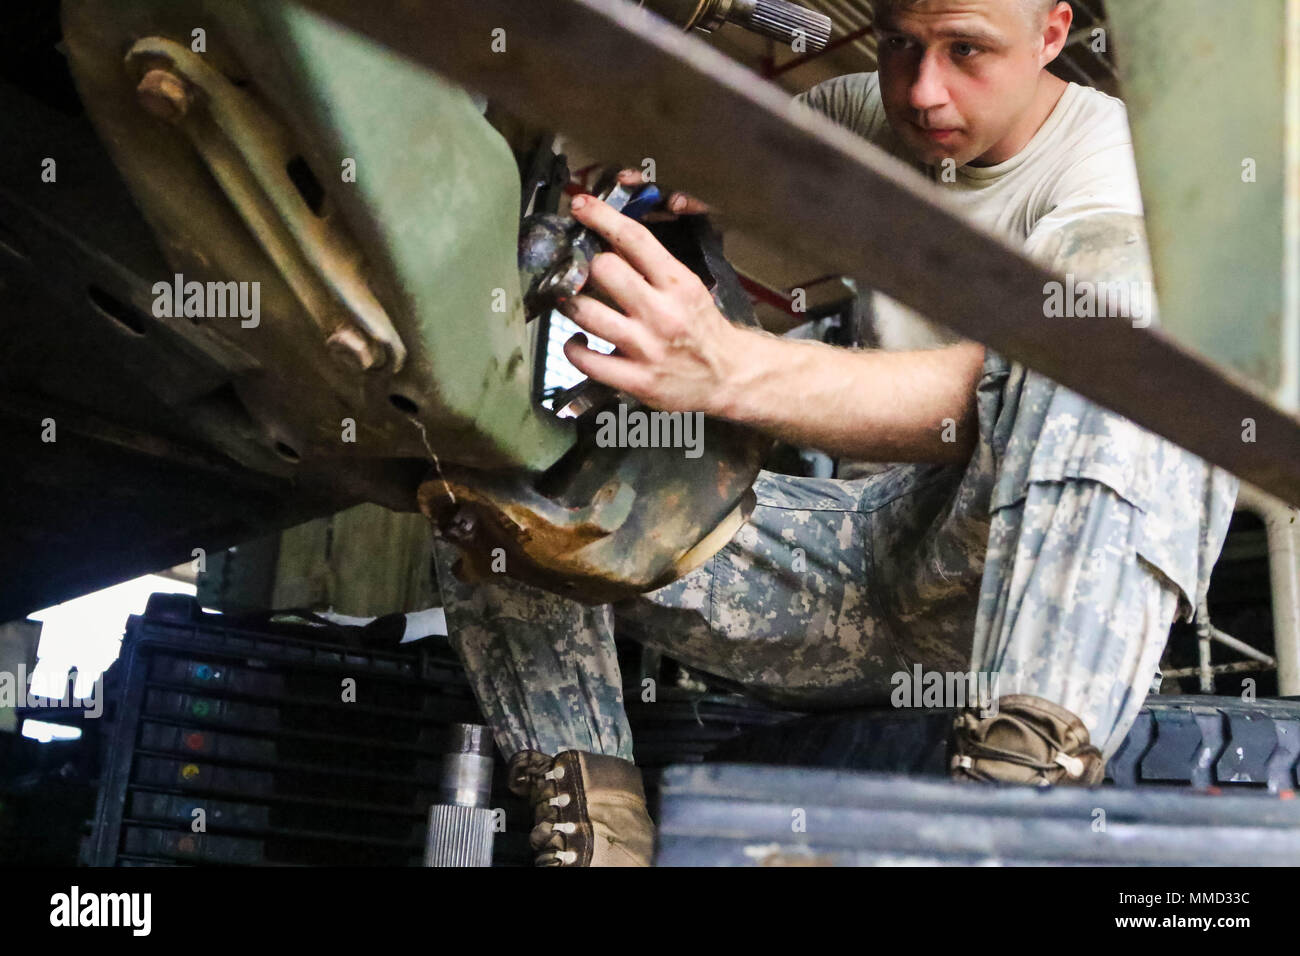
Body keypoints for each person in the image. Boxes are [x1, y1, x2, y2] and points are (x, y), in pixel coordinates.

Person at [430, 0, 1239, 866]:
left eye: (968, 50)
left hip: (1008, 574)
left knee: (1134, 330)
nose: (923, 91)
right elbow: (716, 150)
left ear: (1052, 32)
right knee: (496, 484)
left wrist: (729, 369)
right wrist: (667, 167)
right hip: (851, 573)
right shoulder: (868, 110)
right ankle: (602, 836)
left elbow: (1011, 395)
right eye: (901, 45)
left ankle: (1013, 797)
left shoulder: (1120, 167)